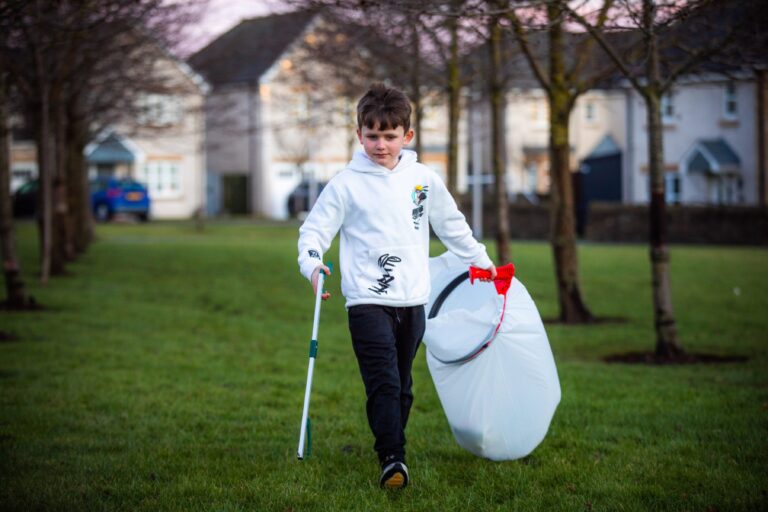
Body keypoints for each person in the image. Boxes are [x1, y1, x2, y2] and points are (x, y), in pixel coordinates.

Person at [297, 83, 496, 489]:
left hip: (413, 301)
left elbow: (452, 226)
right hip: (366, 301)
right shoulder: (345, 184)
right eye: (372, 135)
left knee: (403, 386)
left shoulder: (423, 179)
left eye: (389, 136)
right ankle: (392, 459)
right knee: (383, 381)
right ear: (359, 135)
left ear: (408, 136)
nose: (380, 144)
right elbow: (313, 234)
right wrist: (313, 267)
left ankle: (390, 444)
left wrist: (482, 263)